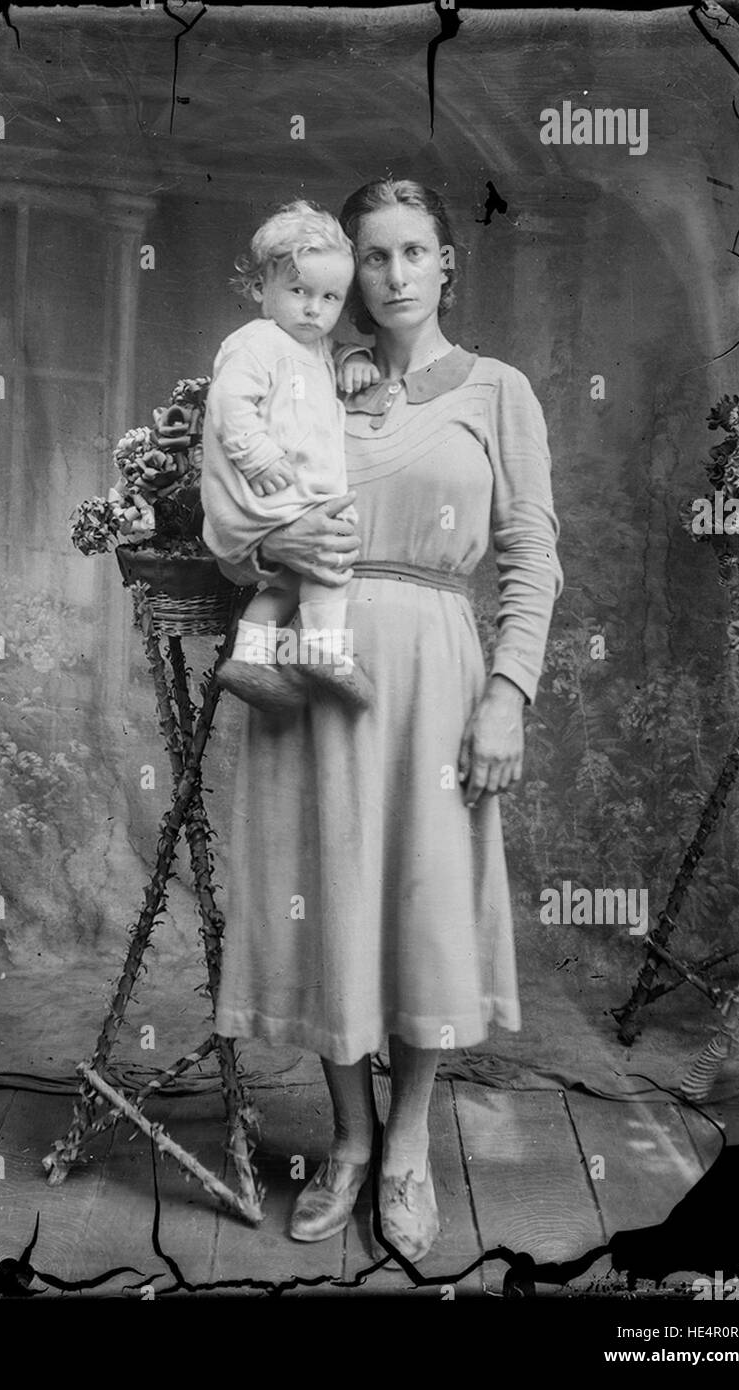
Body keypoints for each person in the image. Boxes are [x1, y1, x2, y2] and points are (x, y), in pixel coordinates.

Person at [209, 178, 563, 1261]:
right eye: (374, 256)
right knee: (329, 907)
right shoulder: (312, 379)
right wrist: (268, 553)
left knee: (418, 906)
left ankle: (407, 1145)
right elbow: (234, 525)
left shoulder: (498, 391)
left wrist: (507, 692)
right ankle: (349, 1142)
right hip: (320, 677)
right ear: (347, 271)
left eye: (416, 252)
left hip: (438, 677)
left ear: (447, 262)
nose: (395, 274)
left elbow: (531, 553)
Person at [201, 200, 378, 712]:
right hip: (275, 494)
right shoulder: (256, 342)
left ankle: (251, 660)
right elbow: (230, 402)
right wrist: (256, 454)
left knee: (286, 584)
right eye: (298, 291)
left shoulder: (317, 348)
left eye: (329, 297)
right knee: (327, 566)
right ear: (261, 289)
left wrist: (355, 356)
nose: (313, 309)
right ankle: (325, 651)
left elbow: (331, 351)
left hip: (293, 501)